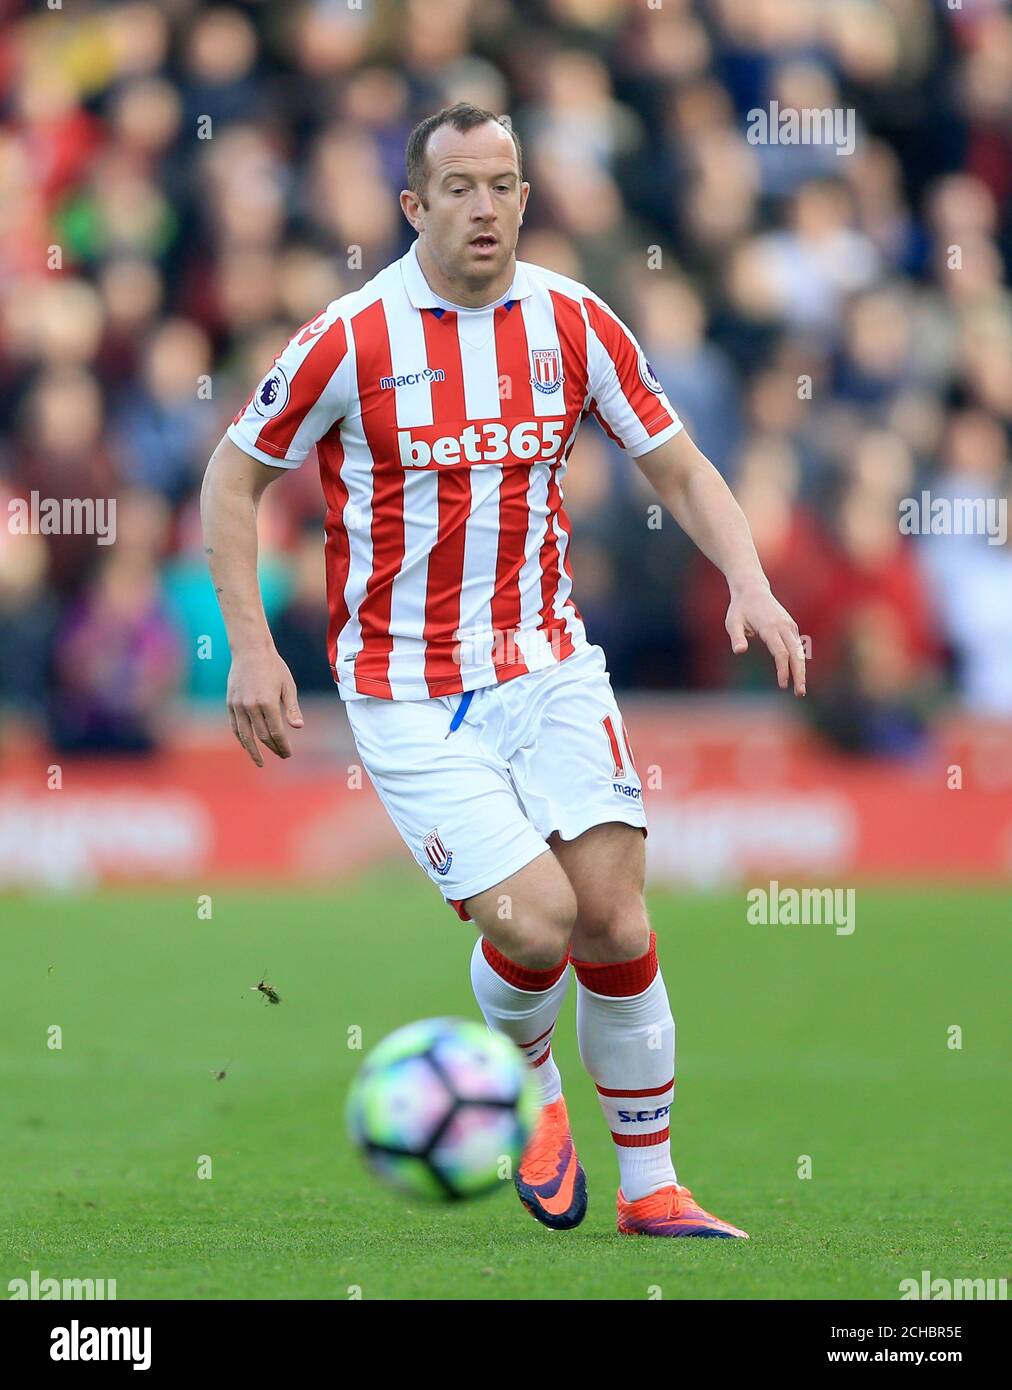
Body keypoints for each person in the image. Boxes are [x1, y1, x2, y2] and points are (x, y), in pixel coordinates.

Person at [201, 103, 806, 1239]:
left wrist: (749, 580)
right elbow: (232, 479)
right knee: (537, 924)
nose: (484, 207)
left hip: (549, 663)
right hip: (406, 687)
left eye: (502, 185)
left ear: (526, 198)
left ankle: (651, 1189)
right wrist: (248, 644)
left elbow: (679, 468)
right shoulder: (350, 337)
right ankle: (526, 1088)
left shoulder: (574, 320)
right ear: (412, 205)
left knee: (613, 920)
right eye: (459, 187)